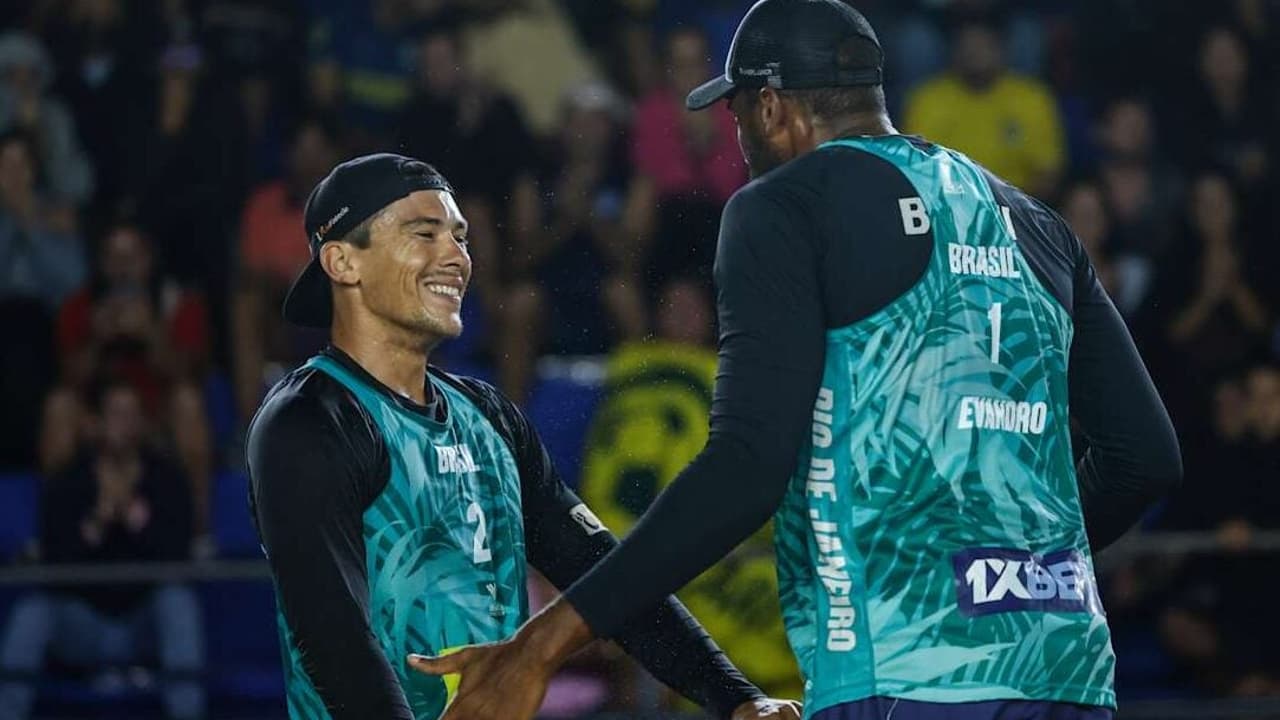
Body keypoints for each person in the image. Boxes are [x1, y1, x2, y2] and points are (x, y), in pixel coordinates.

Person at [407, 2, 1183, 720]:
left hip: (905, 672)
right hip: (1069, 673)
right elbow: (1144, 459)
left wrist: (540, 647)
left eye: (739, 113)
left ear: (771, 106)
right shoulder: (1034, 220)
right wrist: (1021, 571)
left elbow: (748, 465)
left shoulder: (786, 204)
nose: (741, 143)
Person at [245, 153, 797, 720]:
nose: (456, 257)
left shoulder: (491, 417)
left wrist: (735, 699)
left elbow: (611, 579)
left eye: (460, 237)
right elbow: (334, 641)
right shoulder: (309, 419)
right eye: (424, 233)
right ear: (342, 261)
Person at [0, 379, 203, 720]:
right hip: (85, 626)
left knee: (178, 603)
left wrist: (134, 518)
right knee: (32, 612)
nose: (122, 424)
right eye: (115, 413)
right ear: (96, 422)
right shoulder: (69, 480)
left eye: (130, 414)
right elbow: (52, 565)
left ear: (144, 423)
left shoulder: (166, 479)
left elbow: (180, 559)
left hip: (142, 623)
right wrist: (96, 523)